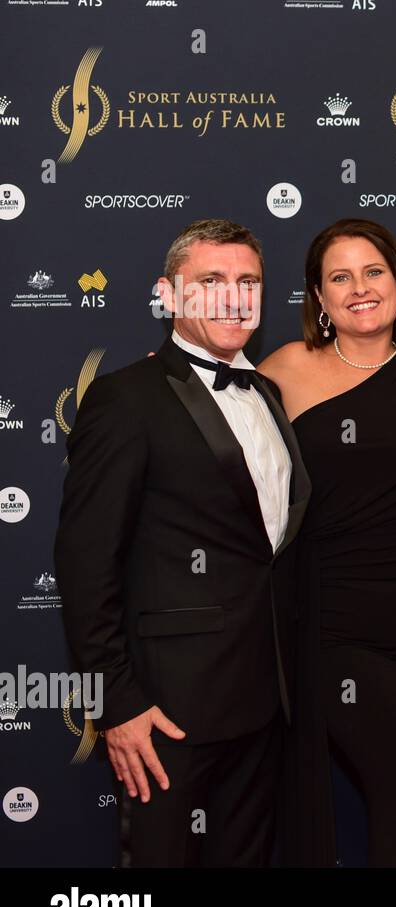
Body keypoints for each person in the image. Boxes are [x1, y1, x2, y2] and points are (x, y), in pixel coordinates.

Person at [55, 219, 310, 866]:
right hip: (167, 711)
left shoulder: (270, 393)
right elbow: (86, 562)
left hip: (267, 700)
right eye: (210, 282)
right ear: (168, 295)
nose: (233, 298)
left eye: (248, 281)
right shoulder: (125, 399)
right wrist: (115, 703)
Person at [259, 219, 396, 866]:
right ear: (319, 300)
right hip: (344, 635)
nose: (360, 288)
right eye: (340, 277)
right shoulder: (284, 371)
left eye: (373, 271)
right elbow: (226, 464)